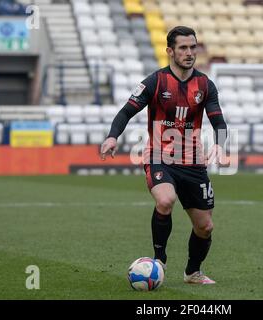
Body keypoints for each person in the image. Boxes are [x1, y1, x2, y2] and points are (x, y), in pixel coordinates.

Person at [100, 26, 228, 284]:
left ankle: (193, 272)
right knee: (166, 199)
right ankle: (159, 260)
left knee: (205, 227)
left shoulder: (205, 84)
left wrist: (221, 144)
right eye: (183, 48)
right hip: (160, 156)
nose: (189, 52)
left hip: (193, 161)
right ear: (170, 51)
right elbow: (126, 112)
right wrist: (113, 136)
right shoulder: (155, 82)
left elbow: (218, 120)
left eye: (193, 47)